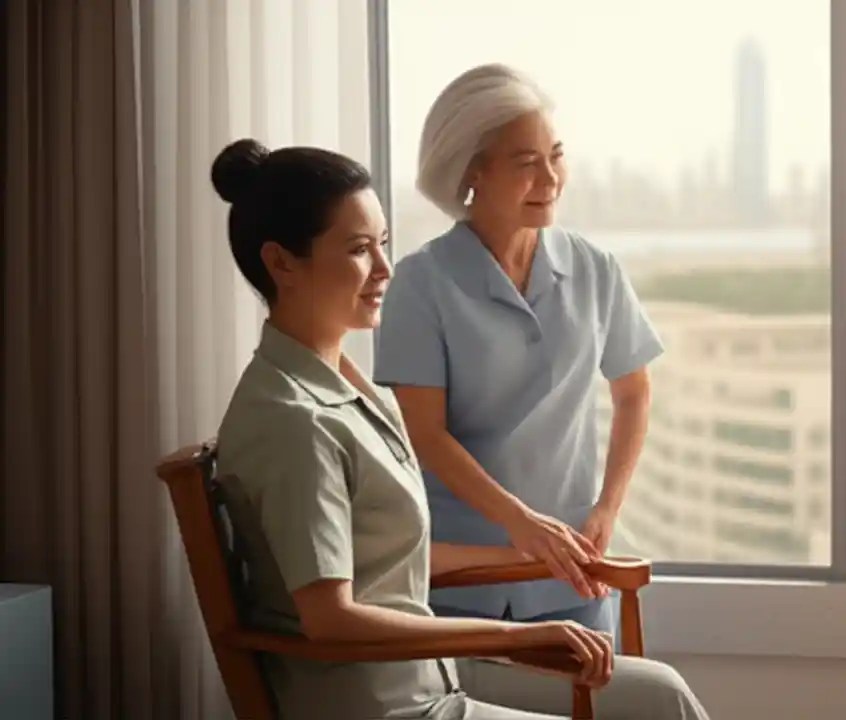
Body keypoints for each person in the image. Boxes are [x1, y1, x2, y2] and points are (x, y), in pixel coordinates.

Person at [211, 138, 707, 720]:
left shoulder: (344, 388)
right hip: (386, 703)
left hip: (431, 672)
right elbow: (329, 617)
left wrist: (545, 552)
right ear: (281, 262)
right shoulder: (292, 420)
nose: (384, 269)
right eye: (359, 249)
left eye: (384, 245)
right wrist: (513, 637)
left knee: (662, 694)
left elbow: (392, 558)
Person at [374, 63, 662, 644]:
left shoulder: (595, 270)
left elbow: (633, 391)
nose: (551, 178)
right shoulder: (420, 284)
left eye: (556, 155)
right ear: (470, 171)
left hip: (574, 574)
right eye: (526, 163)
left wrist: (606, 509)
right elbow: (425, 436)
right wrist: (520, 524)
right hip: (463, 580)